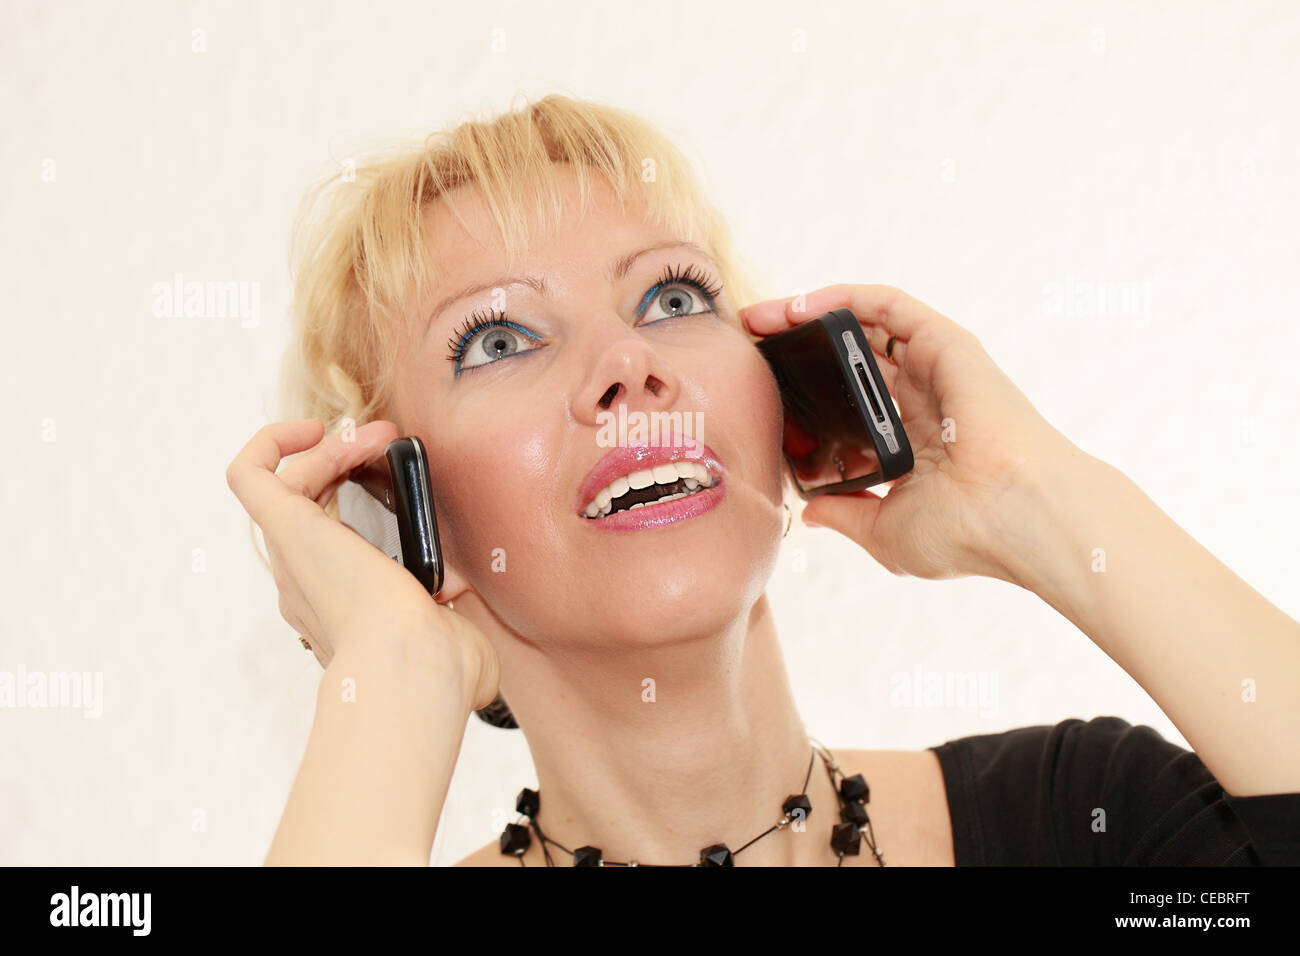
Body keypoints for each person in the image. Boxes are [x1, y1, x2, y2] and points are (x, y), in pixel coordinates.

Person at [225, 94, 1300, 867]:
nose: (626, 363)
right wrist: (392, 662)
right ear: (399, 506)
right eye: (499, 339)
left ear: (783, 396)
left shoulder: (1076, 816)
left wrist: (1032, 497)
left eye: (670, 298)